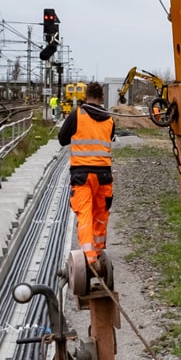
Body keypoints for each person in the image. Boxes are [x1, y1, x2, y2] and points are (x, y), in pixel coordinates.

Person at [57, 81, 114, 259]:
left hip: (81, 174)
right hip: (104, 174)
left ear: (85, 96)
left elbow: (62, 139)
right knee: (100, 214)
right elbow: (110, 137)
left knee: (85, 214)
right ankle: (98, 252)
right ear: (102, 97)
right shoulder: (109, 119)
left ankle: (89, 259)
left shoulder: (76, 115)